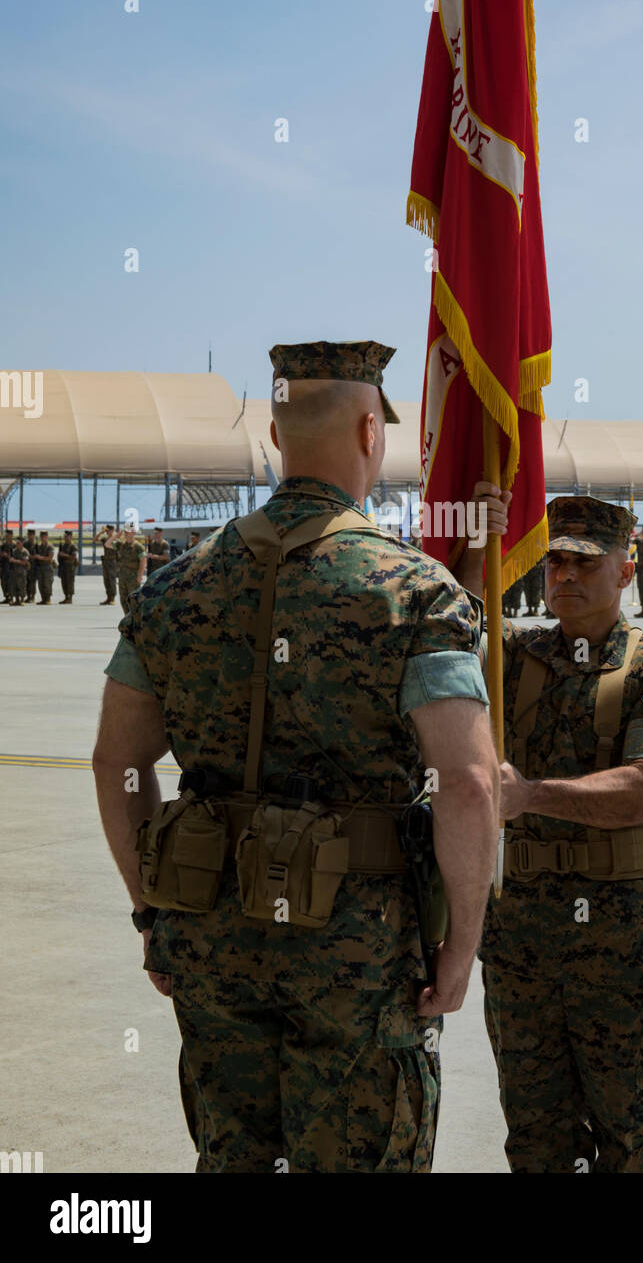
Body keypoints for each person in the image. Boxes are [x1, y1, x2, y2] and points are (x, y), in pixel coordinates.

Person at [93, 339, 499, 1174]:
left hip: (208, 929)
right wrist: (461, 946)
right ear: (368, 432)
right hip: (359, 947)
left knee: (232, 1157)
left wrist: (153, 913)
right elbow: (466, 779)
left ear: (276, 439)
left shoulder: (172, 589)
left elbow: (116, 764)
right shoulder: (414, 591)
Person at [454, 488, 643, 1173]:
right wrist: (482, 539)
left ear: (626, 571)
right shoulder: (517, 657)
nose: (564, 576)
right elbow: (448, 628)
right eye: (555, 562)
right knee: (536, 1139)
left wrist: (529, 795)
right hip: (521, 945)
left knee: (626, 1136)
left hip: (620, 946)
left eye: (584, 564)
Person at [115, 528, 146, 612]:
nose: (126, 533)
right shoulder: (121, 545)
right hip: (122, 577)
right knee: (123, 599)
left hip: (133, 578)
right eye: (125, 532)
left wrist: (140, 576)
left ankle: (134, 620)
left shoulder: (139, 547)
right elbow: (107, 544)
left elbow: (143, 561)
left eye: (128, 532)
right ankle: (127, 619)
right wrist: (116, 535)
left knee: (133, 600)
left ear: (133, 533)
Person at [97, 525, 119, 605]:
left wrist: (118, 563)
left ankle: (112, 598)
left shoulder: (115, 540)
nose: (107, 532)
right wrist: (101, 532)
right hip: (106, 561)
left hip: (112, 561)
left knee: (112, 579)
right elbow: (95, 539)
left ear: (113, 530)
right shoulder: (105, 539)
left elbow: (118, 552)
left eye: (109, 530)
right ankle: (108, 597)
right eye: (106, 531)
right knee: (106, 580)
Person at [33, 531, 56, 604]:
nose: (42, 538)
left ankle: (48, 599)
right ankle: (43, 599)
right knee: (41, 584)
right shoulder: (38, 546)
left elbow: (50, 558)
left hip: (47, 568)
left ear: (47, 537)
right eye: (41, 537)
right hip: (40, 568)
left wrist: (39, 557)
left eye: (44, 537)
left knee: (47, 584)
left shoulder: (50, 546)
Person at [57, 531, 78, 604]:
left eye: (67, 536)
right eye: (65, 536)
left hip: (70, 567)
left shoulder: (73, 546)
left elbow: (73, 557)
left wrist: (64, 555)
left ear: (71, 536)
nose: (65, 538)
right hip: (63, 566)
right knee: (64, 582)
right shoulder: (63, 545)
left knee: (70, 582)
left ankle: (70, 598)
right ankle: (66, 597)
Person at [9, 537, 29, 606]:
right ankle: (16, 600)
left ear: (22, 543)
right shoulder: (14, 551)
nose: (17, 544)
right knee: (14, 585)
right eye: (16, 543)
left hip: (22, 572)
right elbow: (10, 559)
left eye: (19, 543)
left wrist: (14, 561)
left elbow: (24, 562)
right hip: (14, 571)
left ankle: (22, 600)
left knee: (22, 585)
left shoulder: (25, 551)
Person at [0, 528, 14, 603]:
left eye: (9, 535)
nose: (7, 536)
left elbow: (16, 555)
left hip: (11, 567)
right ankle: (7, 597)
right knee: (3, 583)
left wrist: (7, 556)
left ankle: (11, 597)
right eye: (6, 535)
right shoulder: (3, 545)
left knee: (11, 583)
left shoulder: (14, 545)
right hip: (4, 567)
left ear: (11, 535)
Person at [25, 528, 38, 602]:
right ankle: (28, 596)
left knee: (32, 582)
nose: (30, 536)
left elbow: (37, 555)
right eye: (29, 534)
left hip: (34, 566)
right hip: (26, 566)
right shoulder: (25, 544)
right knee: (27, 581)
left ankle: (32, 597)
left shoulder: (36, 545)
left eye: (32, 534)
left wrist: (30, 557)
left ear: (34, 535)